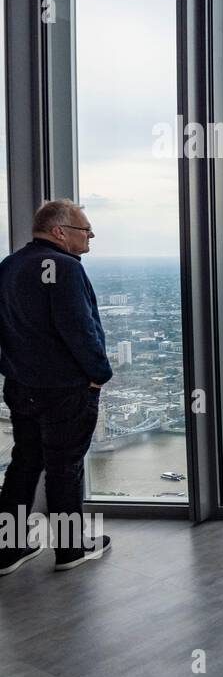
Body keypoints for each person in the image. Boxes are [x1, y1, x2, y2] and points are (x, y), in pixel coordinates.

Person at [0, 199, 113, 576]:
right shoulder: (65, 268)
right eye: (85, 229)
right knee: (65, 467)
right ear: (59, 231)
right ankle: (71, 549)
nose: (91, 235)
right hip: (65, 389)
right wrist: (99, 374)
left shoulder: (9, 266)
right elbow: (78, 328)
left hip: (21, 385)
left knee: (24, 463)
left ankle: (8, 549)